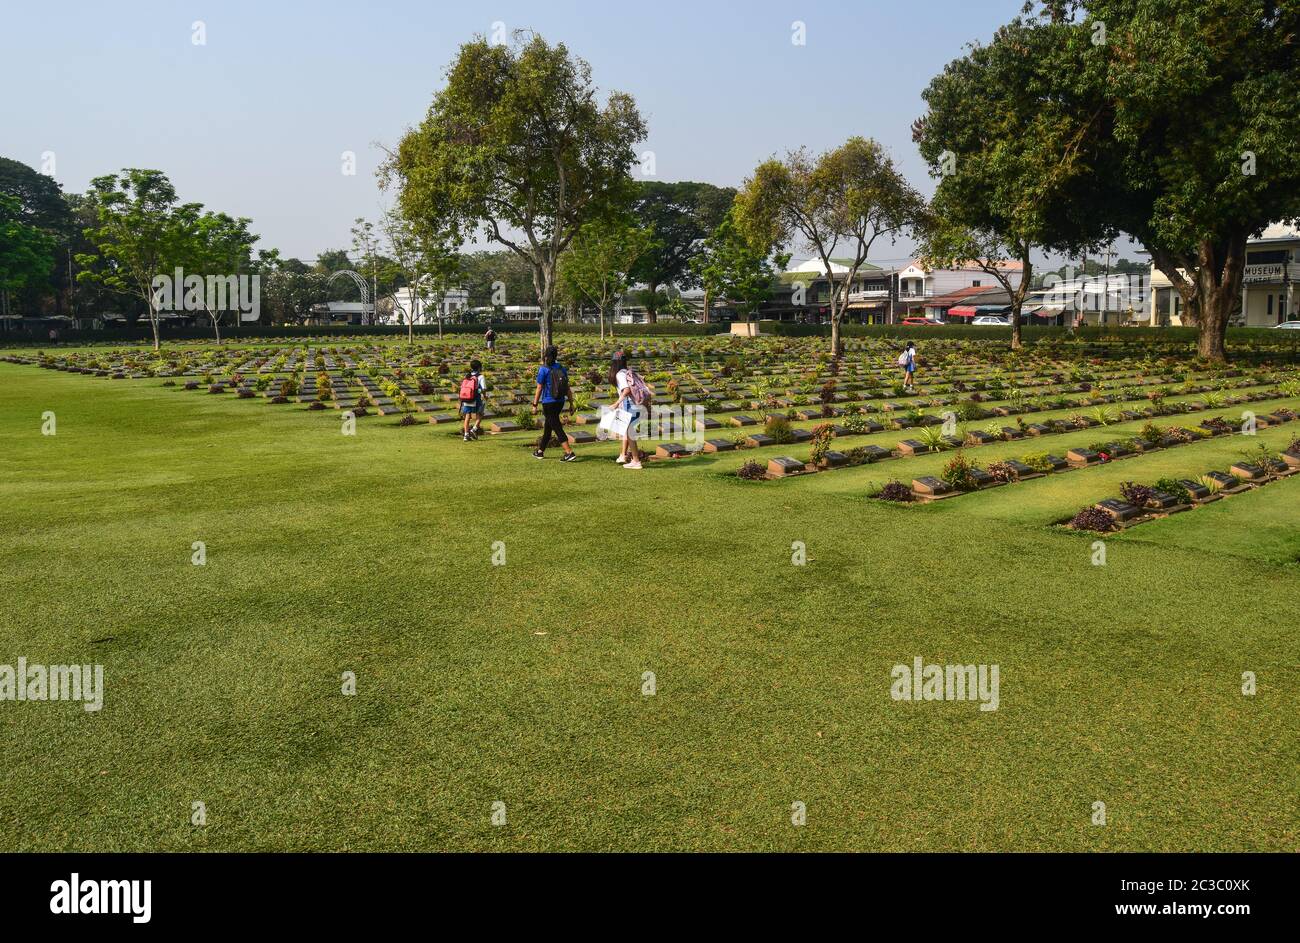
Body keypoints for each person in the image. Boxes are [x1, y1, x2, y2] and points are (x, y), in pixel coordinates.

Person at [532, 345, 577, 462]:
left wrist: (535, 404)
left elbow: (539, 388)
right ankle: (540, 451)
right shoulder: (561, 368)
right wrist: (571, 403)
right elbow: (567, 387)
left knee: (556, 427)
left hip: (548, 402)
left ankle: (569, 452)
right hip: (560, 401)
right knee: (548, 426)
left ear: (545, 355)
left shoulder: (543, 369)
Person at [611, 350, 645, 470]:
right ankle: (625, 456)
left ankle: (636, 461)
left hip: (629, 405)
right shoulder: (627, 371)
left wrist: (616, 403)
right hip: (636, 404)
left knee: (630, 433)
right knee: (628, 431)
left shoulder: (620, 374)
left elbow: (626, 390)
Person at [459, 360, 486, 441]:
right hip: (476, 398)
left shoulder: (467, 375)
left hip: (466, 398)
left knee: (467, 416)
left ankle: (466, 435)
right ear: (479, 367)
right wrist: (484, 395)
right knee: (480, 414)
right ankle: (473, 429)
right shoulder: (480, 376)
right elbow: (484, 389)